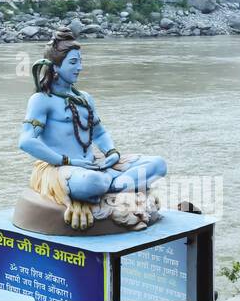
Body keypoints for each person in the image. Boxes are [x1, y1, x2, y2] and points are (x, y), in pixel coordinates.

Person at [19, 28, 166, 229]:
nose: (79, 67)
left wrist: (111, 152)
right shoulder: (41, 100)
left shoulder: (85, 98)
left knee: (158, 164)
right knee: (93, 182)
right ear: (54, 67)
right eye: (73, 62)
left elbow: (99, 132)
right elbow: (26, 141)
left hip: (94, 164)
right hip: (61, 168)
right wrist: (67, 160)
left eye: (80, 61)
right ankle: (115, 185)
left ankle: (112, 185)